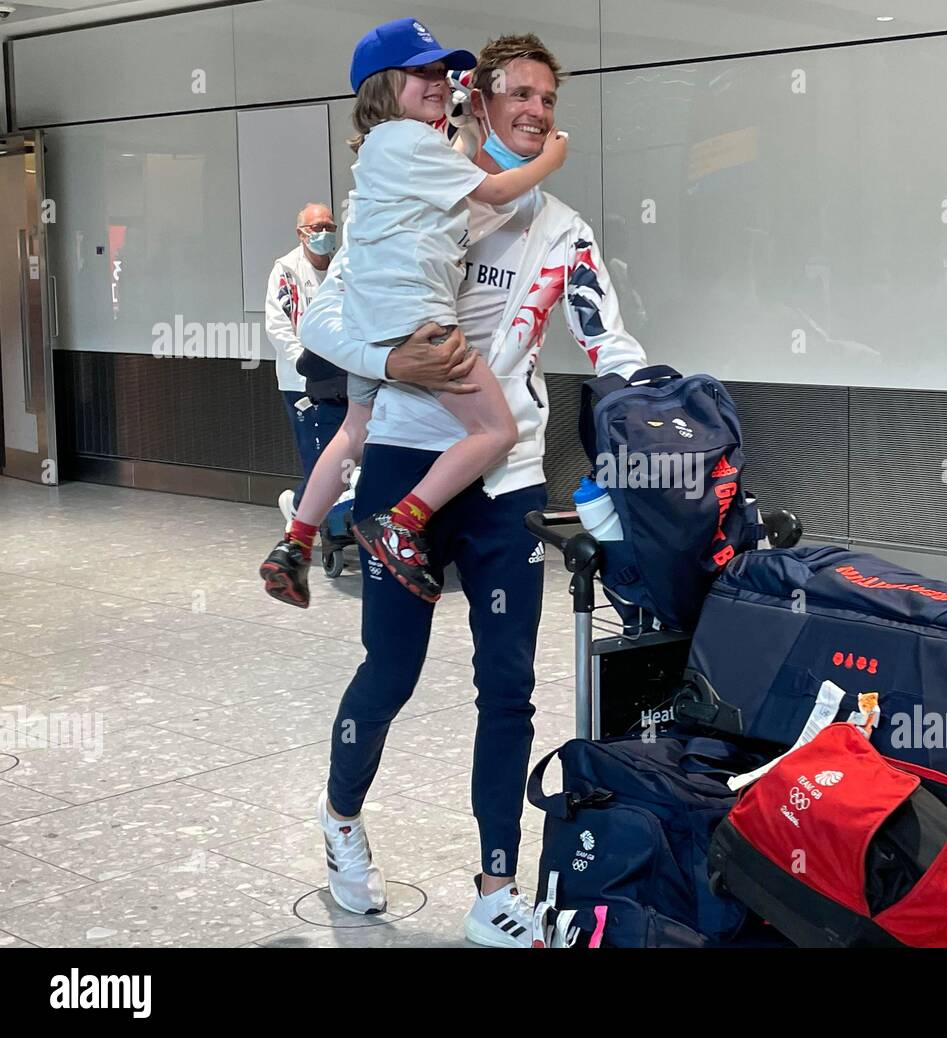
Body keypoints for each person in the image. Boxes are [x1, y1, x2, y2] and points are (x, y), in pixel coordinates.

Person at [299, 31, 648, 946]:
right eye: (519, 95)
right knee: (391, 669)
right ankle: (340, 823)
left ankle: (498, 886)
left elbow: (610, 343)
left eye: (548, 100)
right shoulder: (414, 181)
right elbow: (327, 319)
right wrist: (388, 356)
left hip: (508, 479)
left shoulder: (563, 228)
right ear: (477, 101)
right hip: (406, 462)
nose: (536, 112)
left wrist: (661, 409)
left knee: (509, 688)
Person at [259, 18, 566, 609]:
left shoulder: (395, 154)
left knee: (354, 429)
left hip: (379, 322)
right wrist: (552, 157)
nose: (437, 82)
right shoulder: (412, 145)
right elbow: (493, 189)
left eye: (441, 73)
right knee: (497, 430)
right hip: (418, 320)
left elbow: (463, 156)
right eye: (420, 72)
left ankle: (296, 540)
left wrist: (468, 117)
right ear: (381, 84)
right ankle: (403, 523)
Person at [264, 203, 342, 523]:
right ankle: (303, 511)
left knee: (342, 459)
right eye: (316, 228)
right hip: (302, 383)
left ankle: (318, 514)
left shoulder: (344, 266)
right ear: (301, 234)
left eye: (329, 227)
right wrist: (306, 365)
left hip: (343, 381)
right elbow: (278, 325)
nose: (324, 234)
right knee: (316, 455)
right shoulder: (287, 270)